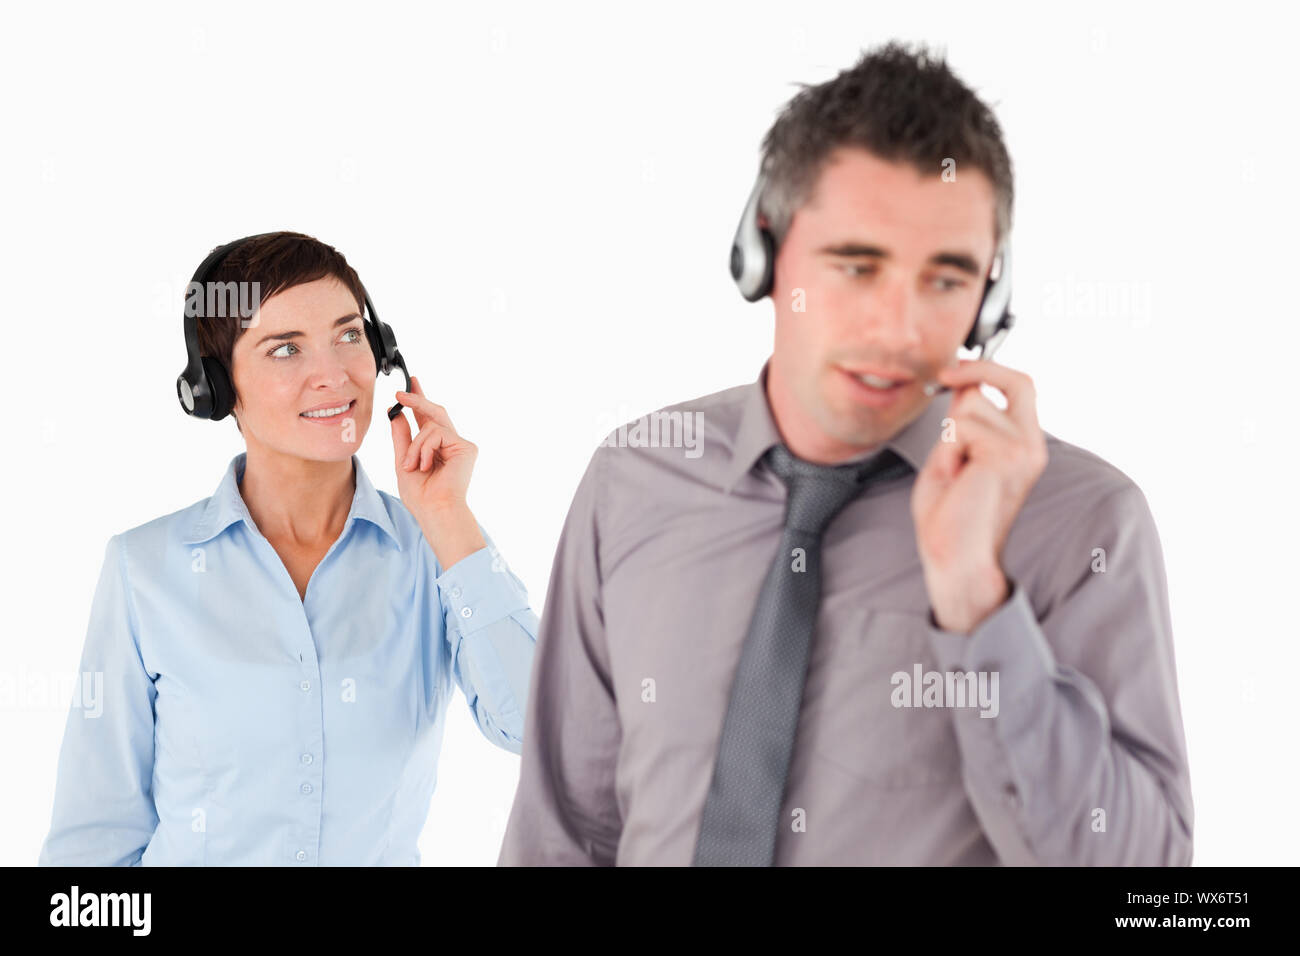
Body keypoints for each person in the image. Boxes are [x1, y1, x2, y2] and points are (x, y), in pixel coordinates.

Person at [498, 42, 1193, 865]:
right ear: (762, 251)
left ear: (990, 301)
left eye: (945, 279)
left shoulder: (1079, 521)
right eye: (857, 266)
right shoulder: (635, 480)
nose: (898, 331)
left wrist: (978, 601)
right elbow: (564, 837)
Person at [39, 231, 538, 865]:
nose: (332, 376)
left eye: (350, 335)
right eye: (284, 350)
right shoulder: (145, 570)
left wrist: (446, 516)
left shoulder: (432, 551)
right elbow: (91, 846)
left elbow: (542, 727)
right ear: (217, 389)